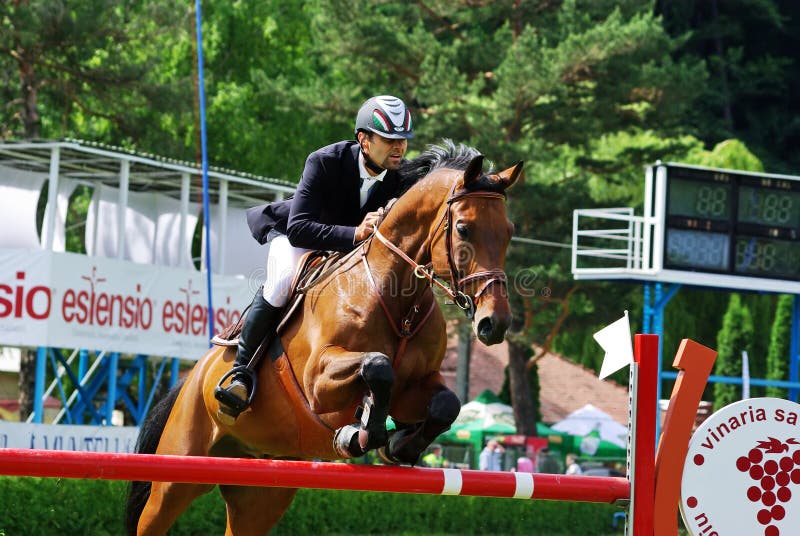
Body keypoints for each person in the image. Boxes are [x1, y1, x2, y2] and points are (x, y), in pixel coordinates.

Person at [214, 95, 415, 423]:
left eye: (403, 140)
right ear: (364, 140)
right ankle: (241, 374)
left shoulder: (403, 178)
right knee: (281, 282)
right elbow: (299, 228)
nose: (399, 148)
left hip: (352, 253)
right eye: (390, 139)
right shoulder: (324, 161)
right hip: (302, 239)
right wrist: (355, 233)